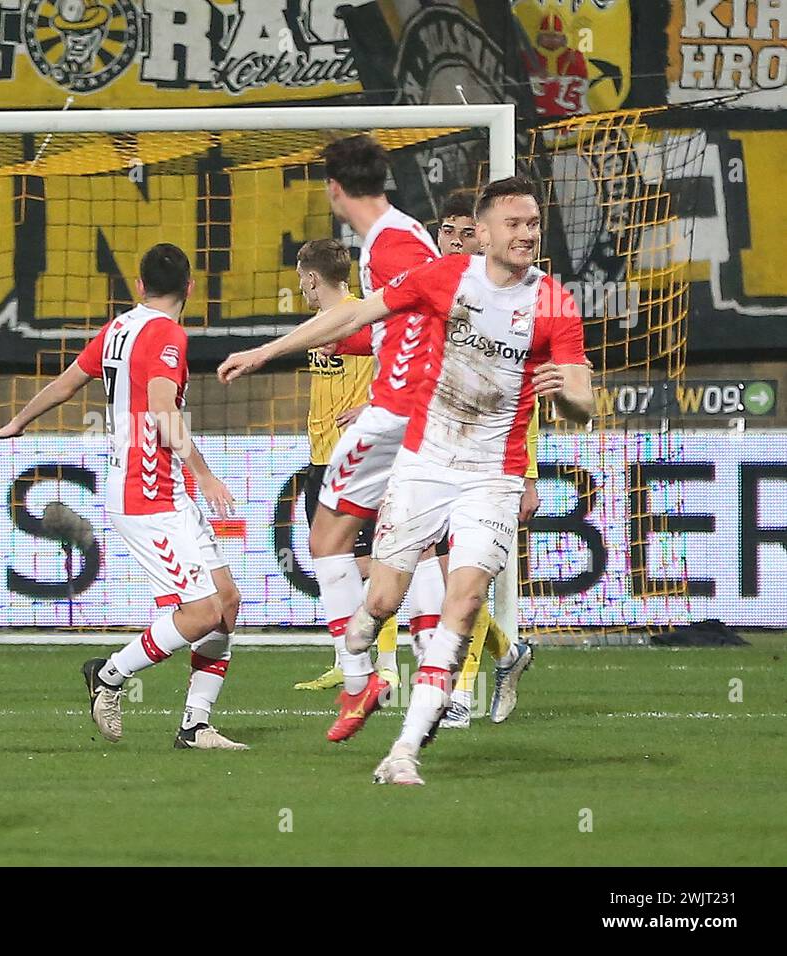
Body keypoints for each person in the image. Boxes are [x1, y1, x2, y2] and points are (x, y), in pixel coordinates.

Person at [217, 175, 594, 785]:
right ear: (486, 230)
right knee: (384, 601)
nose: (526, 234)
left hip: (493, 475)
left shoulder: (552, 300)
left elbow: (582, 395)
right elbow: (354, 314)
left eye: (533, 224)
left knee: (464, 600)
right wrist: (265, 352)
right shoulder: (445, 279)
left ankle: (404, 751)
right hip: (425, 462)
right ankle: (362, 635)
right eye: (515, 224)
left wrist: (568, 400)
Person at [0, 243, 247, 751]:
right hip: (148, 496)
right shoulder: (166, 334)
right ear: (191, 287)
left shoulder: (119, 328)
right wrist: (206, 475)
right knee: (204, 611)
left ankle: (195, 725)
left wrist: (17, 423)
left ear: (139, 286)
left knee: (227, 602)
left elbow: (65, 384)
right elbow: (165, 413)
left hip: (164, 493)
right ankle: (109, 675)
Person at [300, 136, 440, 743]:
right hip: (425, 410)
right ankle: (436, 685)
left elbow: (435, 314)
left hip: (399, 412)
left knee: (328, 540)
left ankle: (360, 678)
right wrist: (358, 343)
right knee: (415, 551)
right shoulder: (391, 237)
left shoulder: (393, 242)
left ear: (334, 189)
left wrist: (392, 397)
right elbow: (401, 319)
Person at [430, 191, 541, 729]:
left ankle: (458, 691)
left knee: (462, 582)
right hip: (434, 464)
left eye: (463, 232)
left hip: (491, 470)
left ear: (485, 238)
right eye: (446, 230)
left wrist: (528, 477)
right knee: (437, 582)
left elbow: (525, 400)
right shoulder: (439, 292)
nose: (453, 240)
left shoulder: (521, 301)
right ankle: (508, 652)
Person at [287, 239, 400, 693]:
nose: (300, 287)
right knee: (334, 561)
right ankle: (347, 661)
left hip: (360, 462)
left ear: (312, 278)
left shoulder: (367, 318)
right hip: (322, 461)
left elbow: (403, 366)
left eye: (301, 279)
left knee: (375, 562)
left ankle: (387, 662)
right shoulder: (316, 326)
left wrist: (373, 402)